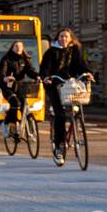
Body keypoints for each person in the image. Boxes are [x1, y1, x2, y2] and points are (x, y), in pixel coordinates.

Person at [39, 28, 93, 163]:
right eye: (61, 36)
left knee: (78, 107)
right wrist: (45, 77)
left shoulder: (74, 50)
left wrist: (87, 73)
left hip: (70, 85)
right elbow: (44, 68)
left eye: (66, 37)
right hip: (55, 84)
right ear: (58, 38)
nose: (64, 39)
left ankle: (76, 124)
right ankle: (59, 147)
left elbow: (81, 65)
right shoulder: (51, 52)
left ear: (70, 38)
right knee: (60, 115)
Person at [0, 40, 39, 131]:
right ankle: (8, 122)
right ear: (12, 48)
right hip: (8, 88)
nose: (18, 48)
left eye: (20, 46)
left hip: (20, 87)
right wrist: (5, 78)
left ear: (23, 48)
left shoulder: (25, 59)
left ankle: (27, 127)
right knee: (15, 102)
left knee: (24, 104)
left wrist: (37, 76)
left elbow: (30, 71)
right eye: (16, 46)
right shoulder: (6, 59)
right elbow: (0, 74)